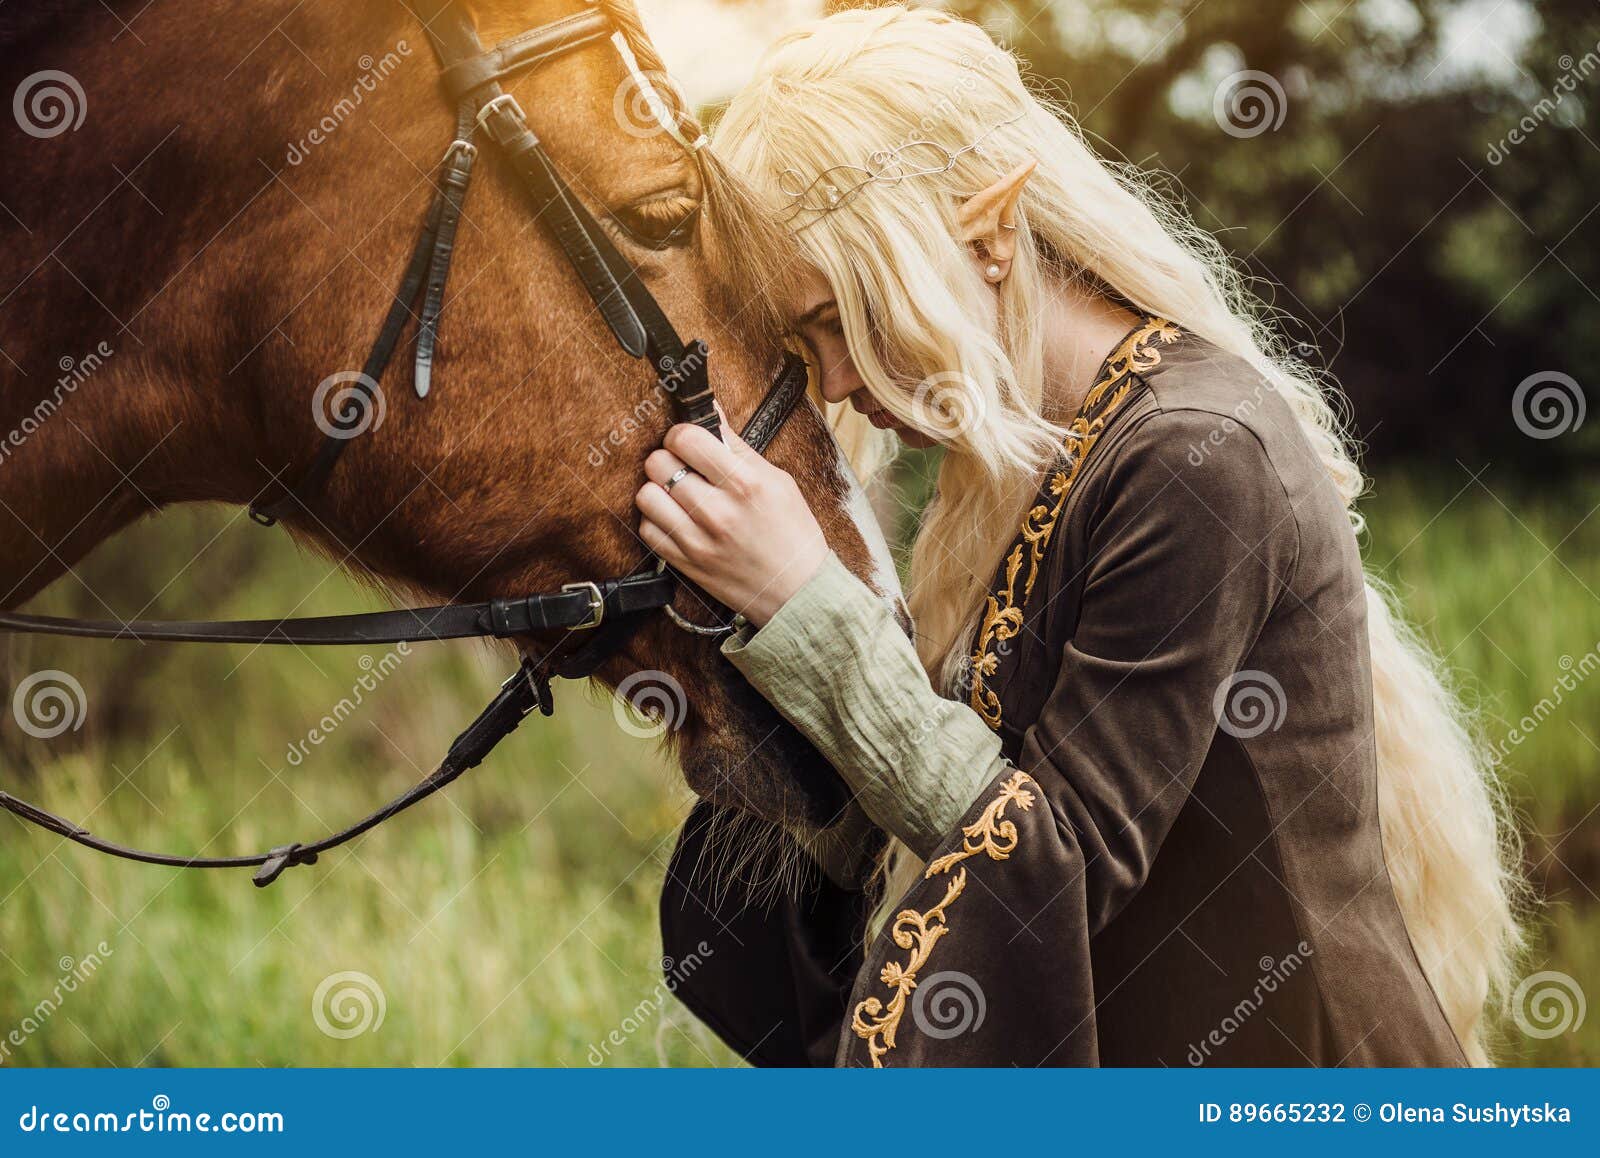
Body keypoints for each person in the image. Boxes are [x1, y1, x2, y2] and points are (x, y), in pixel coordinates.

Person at [634, 5, 1520, 1067]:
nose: (829, 381)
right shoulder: (1021, 471)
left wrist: (808, 610)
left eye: (837, 319)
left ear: (990, 233)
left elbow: (1053, 863)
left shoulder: (1195, 454)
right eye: (802, 340)